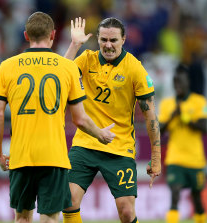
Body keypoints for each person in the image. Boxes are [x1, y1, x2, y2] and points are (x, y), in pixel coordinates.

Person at [0, 12, 115, 223]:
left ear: (26, 35)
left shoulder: (7, 67)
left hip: (21, 156)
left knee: (21, 219)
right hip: (54, 157)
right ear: (53, 35)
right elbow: (80, 119)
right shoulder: (67, 68)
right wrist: (100, 134)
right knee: (49, 219)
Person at [62, 17, 161, 223]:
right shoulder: (86, 60)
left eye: (113, 40)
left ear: (124, 39)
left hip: (119, 147)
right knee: (69, 200)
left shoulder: (135, 69)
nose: (108, 45)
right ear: (97, 39)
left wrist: (156, 156)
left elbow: (150, 115)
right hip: (85, 143)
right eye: (103, 40)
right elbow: (58, 76)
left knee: (126, 211)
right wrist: (74, 45)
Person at [158, 64, 207, 223]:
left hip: (195, 159)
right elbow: (159, 130)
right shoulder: (167, 104)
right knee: (175, 194)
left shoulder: (199, 101)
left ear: (188, 82)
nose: (178, 86)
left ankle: (201, 219)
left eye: (180, 82)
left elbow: (204, 128)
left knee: (197, 198)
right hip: (175, 157)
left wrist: (185, 118)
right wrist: (173, 117)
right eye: (175, 83)